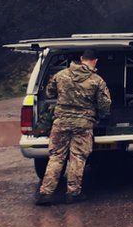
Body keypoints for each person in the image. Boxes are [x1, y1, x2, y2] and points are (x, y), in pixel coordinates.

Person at [35, 50, 111, 205]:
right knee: (78, 157)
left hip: (61, 122)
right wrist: (101, 116)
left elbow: (49, 93)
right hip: (83, 124)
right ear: (95, 61)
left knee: (56, 157)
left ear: (81, 59)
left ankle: (45, 194)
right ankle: (73, 194)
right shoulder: (97, 80)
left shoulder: (61, 75)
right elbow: (105, 104)